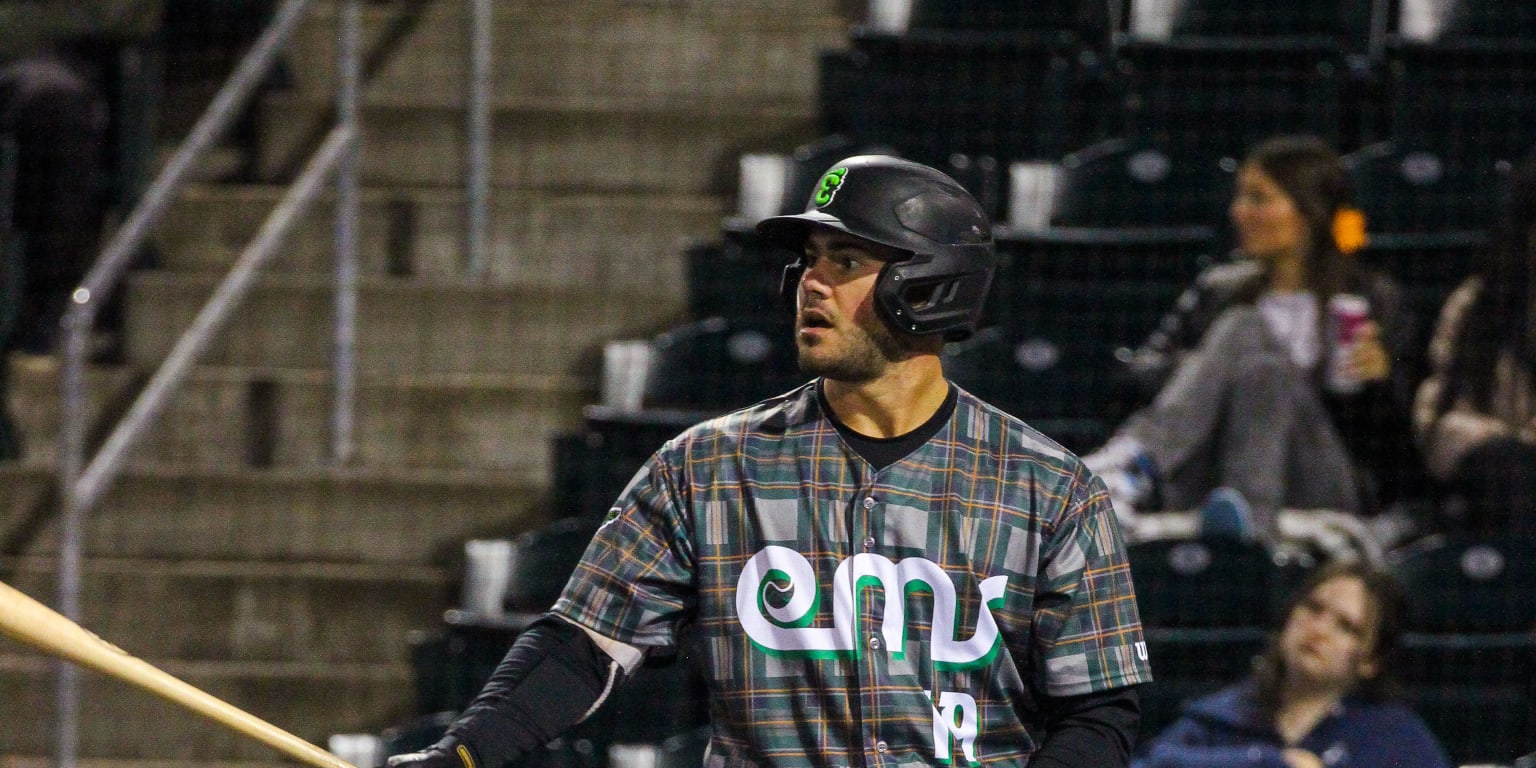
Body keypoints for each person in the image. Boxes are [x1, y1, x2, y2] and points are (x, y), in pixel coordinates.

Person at [389, 155, 1154, 768]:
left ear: (929, 285)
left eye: (845, 260)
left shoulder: (1050, 489)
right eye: (809, 260)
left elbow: (1098, 715)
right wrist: (462, 755)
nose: (810, 282)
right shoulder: (706, 468)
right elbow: (582, 647)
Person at [1086, 135, 1422, 545]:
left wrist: (1378, 384)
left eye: (1258, 198)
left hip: (1319, 482)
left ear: (1309, 212)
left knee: (1258, 352)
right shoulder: (1219, 290)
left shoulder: (1372, 298)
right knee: (1255, 353)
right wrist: (1212, 368)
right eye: (1240, 197)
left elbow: (1403, 447)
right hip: (1213, 481)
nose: (1238, 211)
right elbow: (1140, 376)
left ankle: (1135, 464)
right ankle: (1243, 514)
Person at [1132, 561, 1453, 768]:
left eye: (1346, 627)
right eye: (1313, 608)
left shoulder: (1395, 738)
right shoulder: (1223, 715)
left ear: (1371, 660)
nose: (1319, 629)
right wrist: (1267, 762)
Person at [1412, 147, 1536, 538]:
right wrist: (1510, 445)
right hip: (1502, 481)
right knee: (1509, 468)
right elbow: (1441, 422)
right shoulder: (1479, 304)